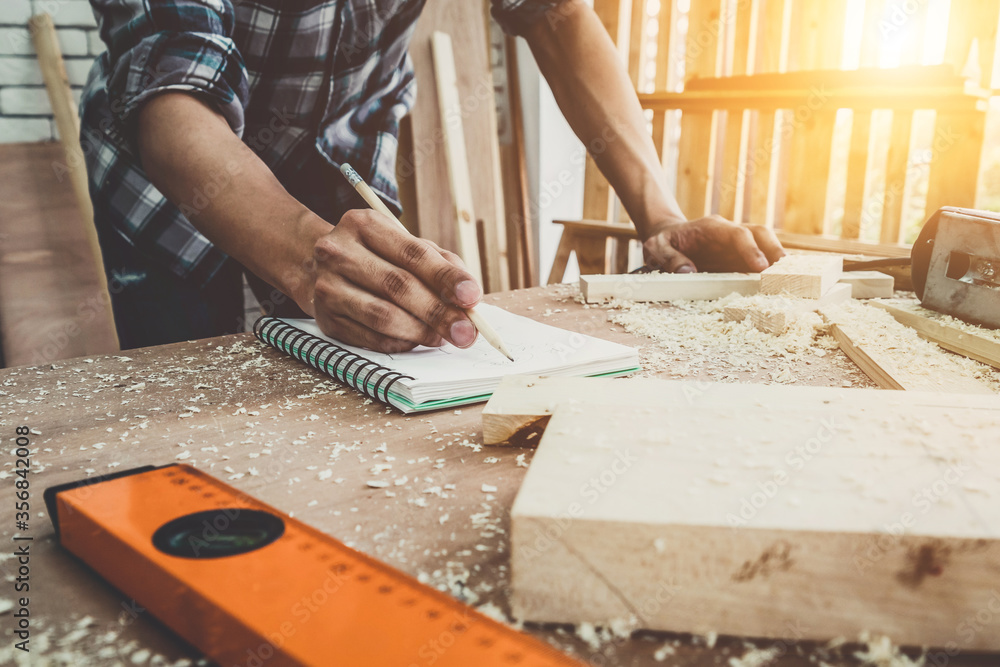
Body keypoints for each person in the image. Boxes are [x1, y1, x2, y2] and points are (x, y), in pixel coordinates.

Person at [81, 0, 785, 353]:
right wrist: (303, 258)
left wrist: (659, 215)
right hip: (175, 172)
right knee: (190, 396)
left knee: (369, 375)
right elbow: (176, 100)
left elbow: (556, 14)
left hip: (338, 155)